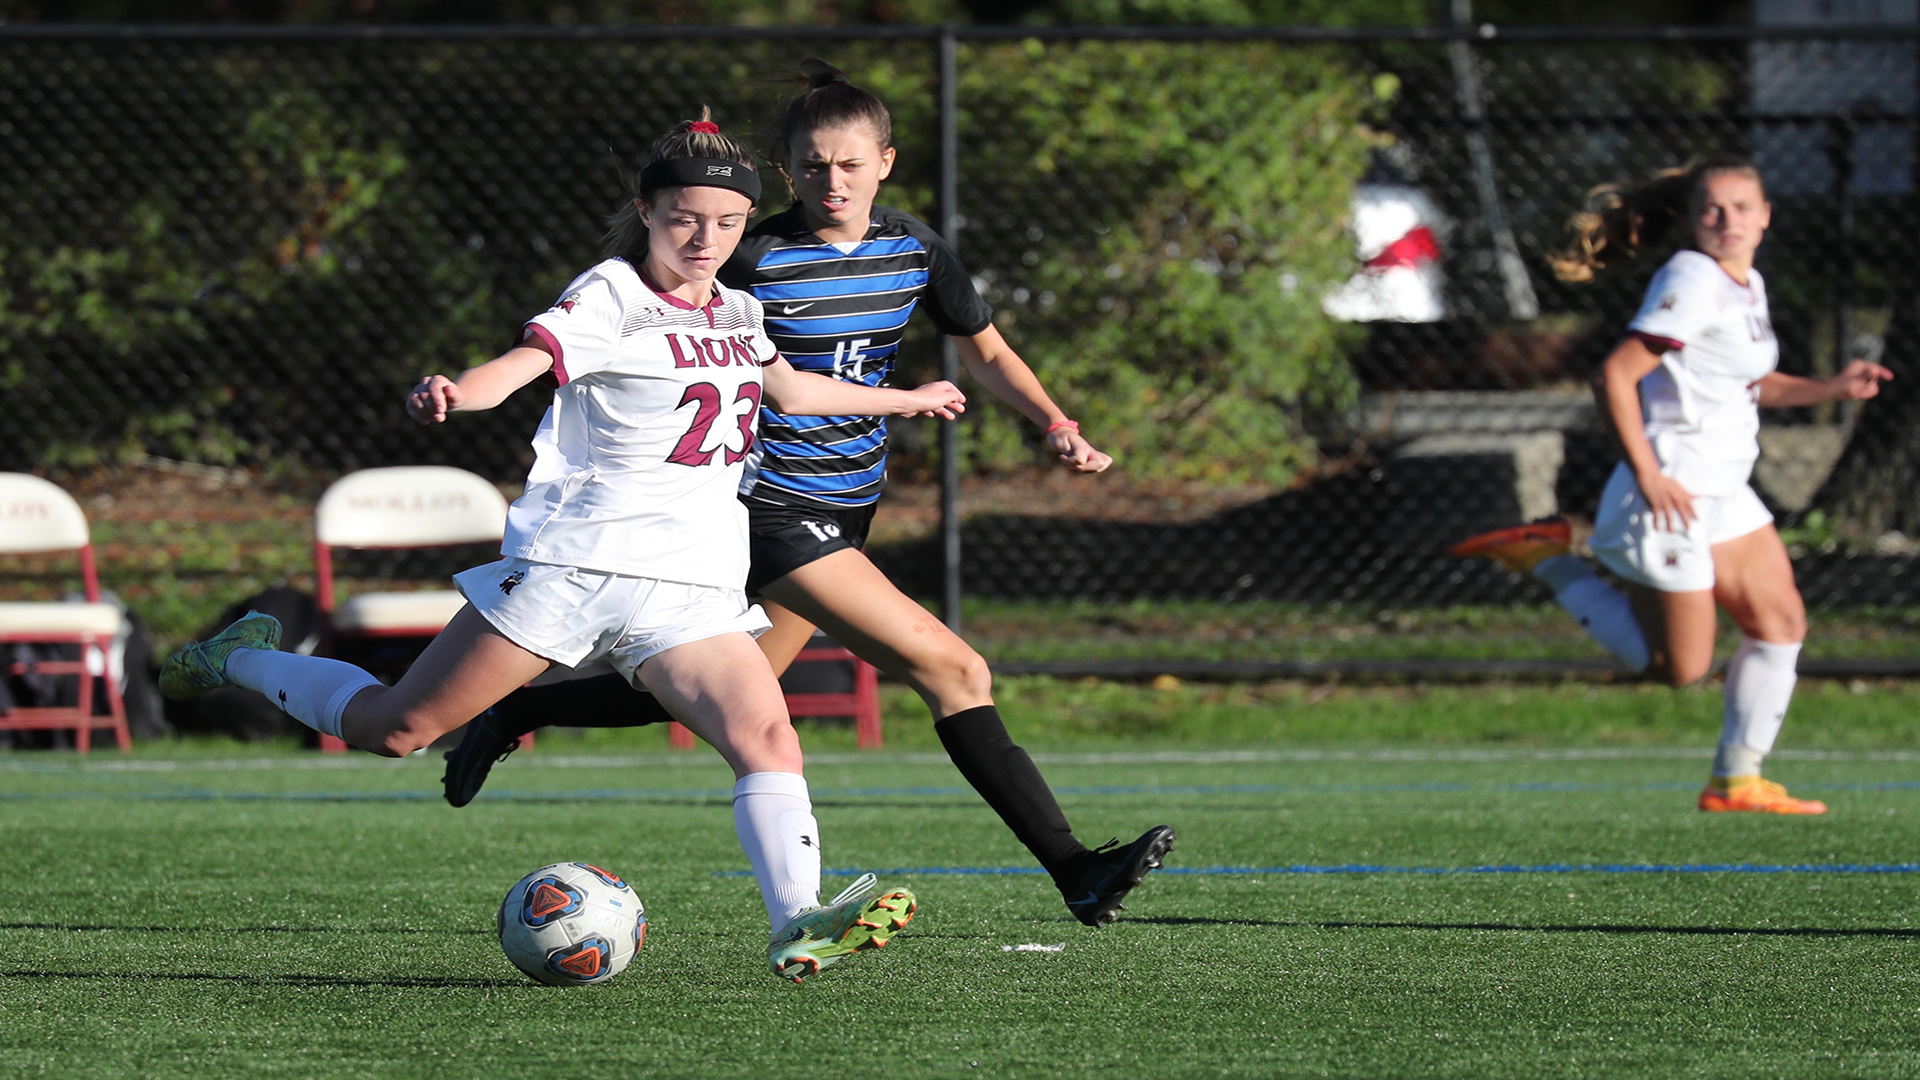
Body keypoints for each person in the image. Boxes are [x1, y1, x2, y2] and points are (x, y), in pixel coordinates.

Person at [159, 112, 971, 982]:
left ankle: (797, 922)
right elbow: (523, 362)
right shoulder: (610, 295)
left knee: (767, 739)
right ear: (648, 211)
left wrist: (909, 399)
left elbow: (794, 391)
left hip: (688, 585)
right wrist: (457, 394)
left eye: (728, 222)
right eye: (686, 218)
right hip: (574, 569)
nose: (707, 238)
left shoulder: (737, 307)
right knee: (398, 730)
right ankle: (243, 657)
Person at [442, 60, 1174, 927]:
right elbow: (655, 302)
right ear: (790, 172)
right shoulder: (752, 255)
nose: (833, 181)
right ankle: (1076, 870)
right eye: (814, 166)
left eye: (851, 164)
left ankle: (515, 709)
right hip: (766, 505)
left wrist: (1055, 422)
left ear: (886, 163)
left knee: (717, 689)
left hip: (847, 502)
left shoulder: (913, 250)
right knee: (954, 668)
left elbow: (985, 350)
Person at [1450, 155, 1891, 815]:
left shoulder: (1745, 284)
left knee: (1780, 622)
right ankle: (1547, 558)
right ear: (1690, 221)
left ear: (1766, 216)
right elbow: (1615, 376)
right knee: (1679, 670)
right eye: (1712, 209)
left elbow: (1746, 383)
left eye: (1743, 207)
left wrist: (1829, 388)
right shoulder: (1691, 277)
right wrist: (1650, 475)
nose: (1729, 221)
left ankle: (1737, 782)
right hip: (1671, 493)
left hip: (1723, 490)